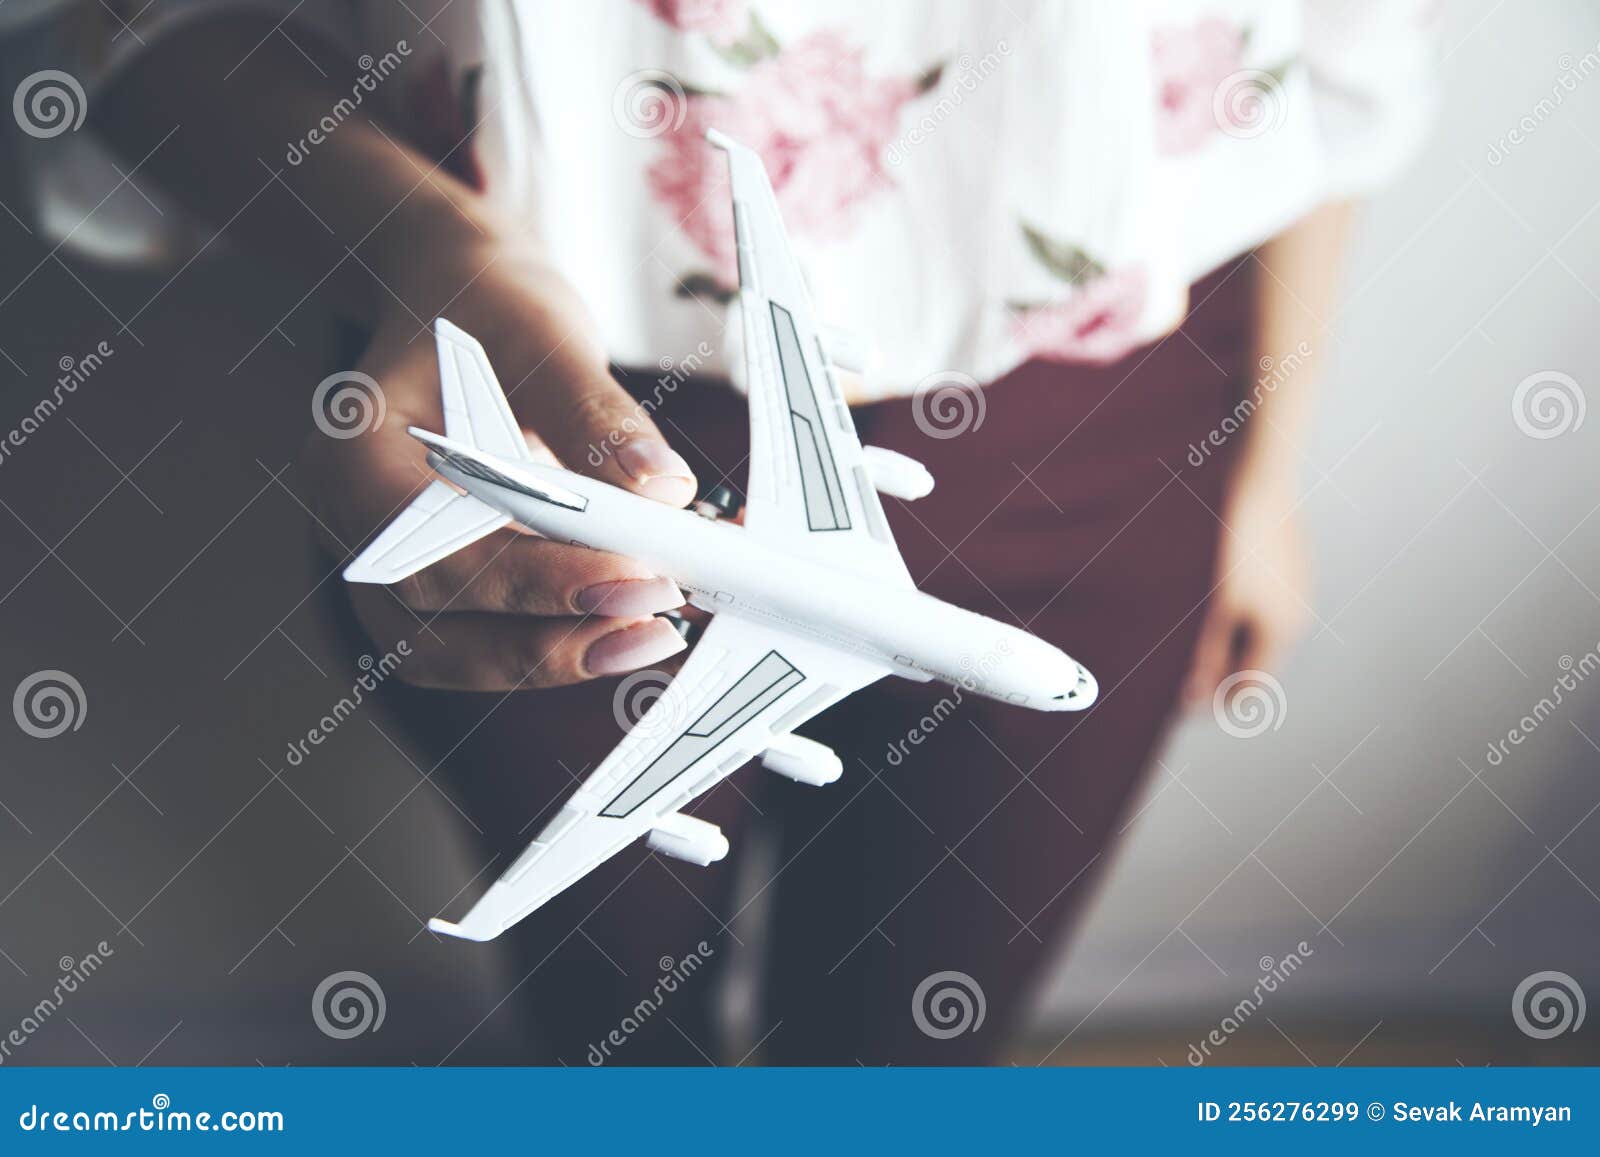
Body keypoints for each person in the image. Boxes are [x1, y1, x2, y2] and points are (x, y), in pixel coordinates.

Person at [47, 0, 1429, 1063]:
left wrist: (1262, 475)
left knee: (914, 1052)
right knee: (611, 1023)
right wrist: (430, 253)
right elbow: (117, 34)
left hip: (1124, 416)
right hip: (536, 388)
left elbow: (1339, 56)